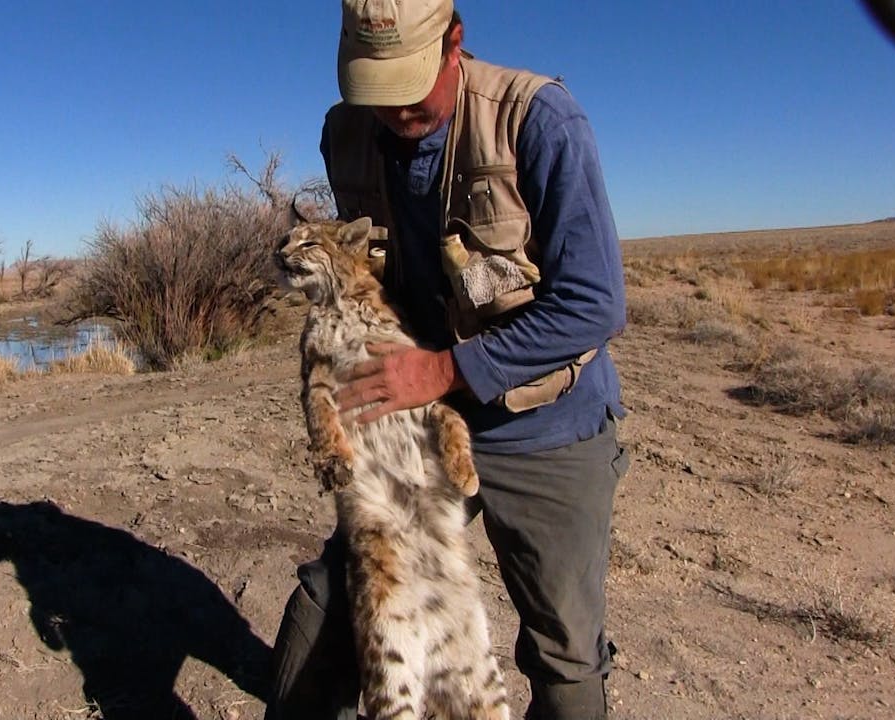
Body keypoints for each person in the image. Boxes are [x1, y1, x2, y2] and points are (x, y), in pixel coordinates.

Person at [266, 2, 628, 718]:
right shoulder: (347, 133)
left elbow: (594, 303)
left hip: (544, 420)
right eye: (376, 87)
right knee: (336, 597)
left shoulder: (541, 120)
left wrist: (442, 370)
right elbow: (376, 270)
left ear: (455, 42)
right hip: (422, 417)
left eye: (409, 81)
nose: (394, 107)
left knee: (564, 652)